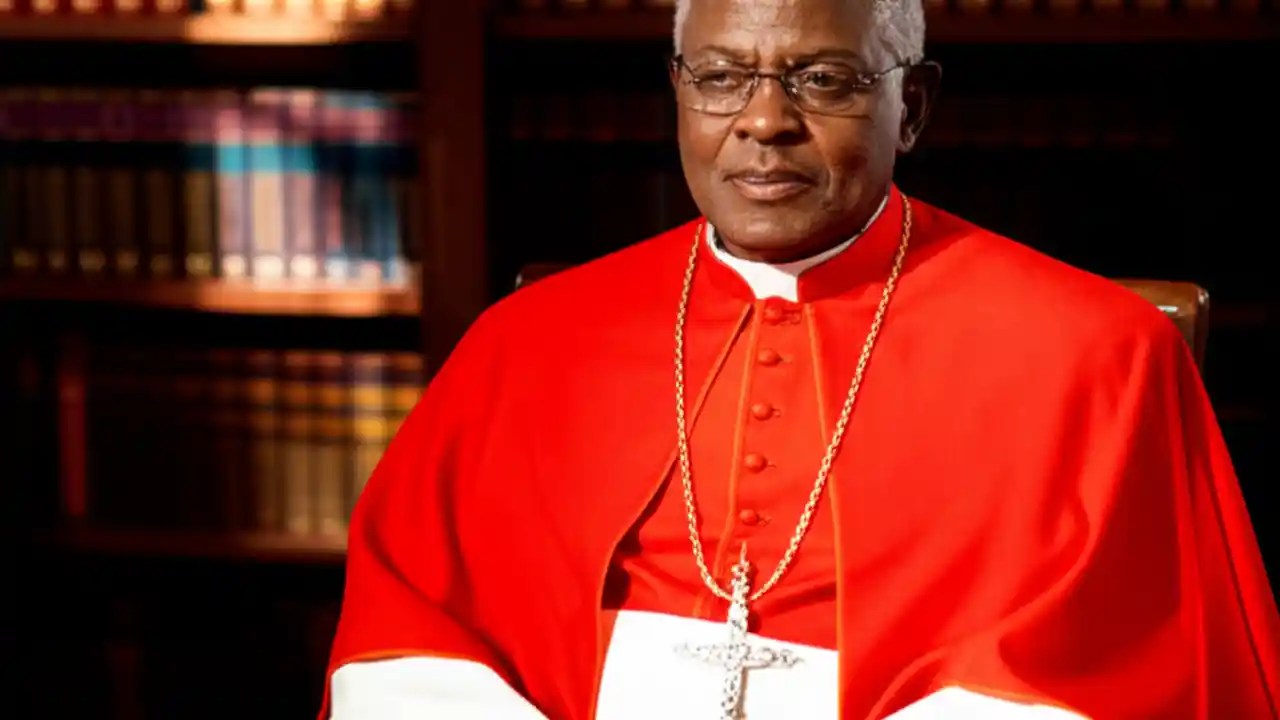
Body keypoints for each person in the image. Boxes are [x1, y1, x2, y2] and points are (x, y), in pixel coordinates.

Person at [319, 0, 1280, 716]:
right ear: (678, 92)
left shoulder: (1097, 352)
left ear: (914, 107)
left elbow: (1137, 665)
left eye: (823, 80)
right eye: (722, 76)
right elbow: (413, 626)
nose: (764, 120)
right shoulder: (529, 341)